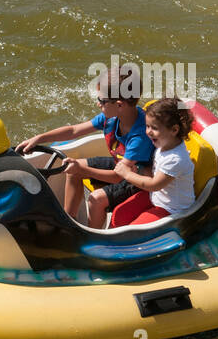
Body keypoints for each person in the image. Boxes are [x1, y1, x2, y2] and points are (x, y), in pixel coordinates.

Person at [14, 63, 154, 228]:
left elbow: (118, 176)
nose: (98, 104)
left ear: (119, 105)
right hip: (120, 165)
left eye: (101, 100)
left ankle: (91, 237)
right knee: (74, 169)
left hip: (138, 179)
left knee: (96, 199)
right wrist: (39, 138)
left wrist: (81, 169)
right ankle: (69, 223)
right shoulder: (113, 118)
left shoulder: (139, 136)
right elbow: (74, 130)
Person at [109, 98, 196, 227]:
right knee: (120, 214)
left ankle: (125, 243)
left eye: (154, 128)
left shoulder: (175, 159)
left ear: (174, 130)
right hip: (156, 198)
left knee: (134, 230)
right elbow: (154, 172)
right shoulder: (164, 144)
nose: (148, 132)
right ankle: (113, 238)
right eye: (147, 126)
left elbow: (154, 185)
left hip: (172, 210)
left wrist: (127, 174)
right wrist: (138, 170)